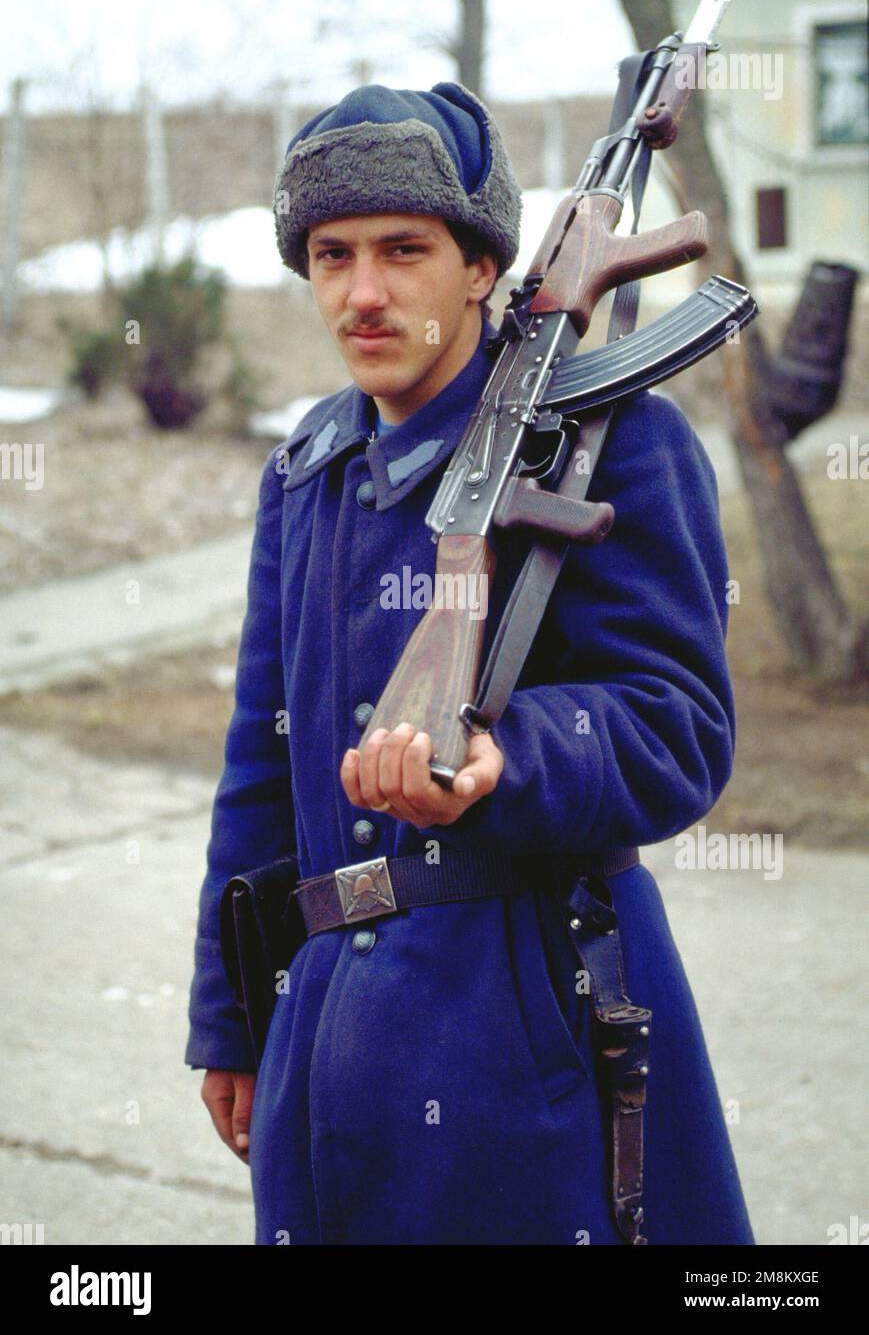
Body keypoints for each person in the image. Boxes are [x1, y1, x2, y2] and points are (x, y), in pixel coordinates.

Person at [184, 80, 755, 1246]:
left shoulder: (612, 441)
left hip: (532, 1022)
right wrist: (233, 1021)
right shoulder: (305, 471)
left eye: (404, 249)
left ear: (482, 268)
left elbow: (680, 723)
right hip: (324, 1040)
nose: (364, 291)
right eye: (331, 254)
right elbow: (258, 764)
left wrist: (510, 755)